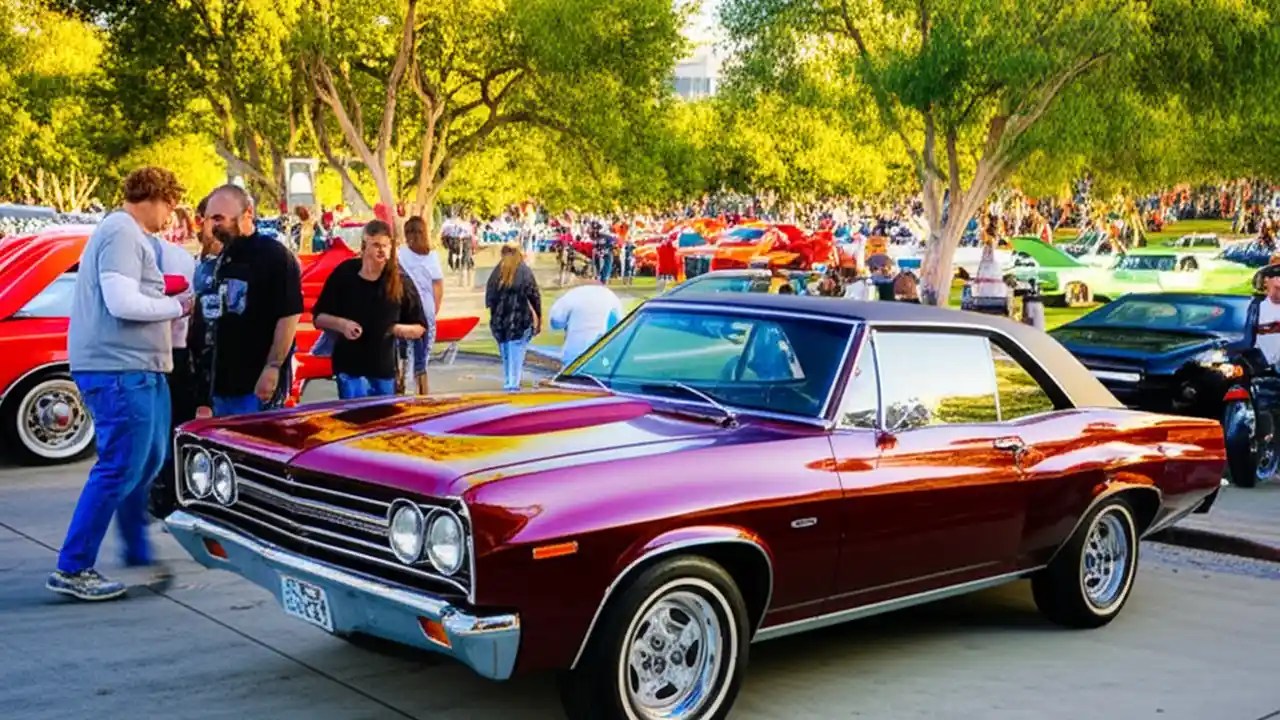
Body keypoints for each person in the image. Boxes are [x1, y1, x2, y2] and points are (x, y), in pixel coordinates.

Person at [48, 166, 191, 601]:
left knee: (144, 462)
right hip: (119, 370)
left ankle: (136, 553)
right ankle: (73, 567)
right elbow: (121, 301)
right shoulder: (122, 232)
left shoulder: (125, 234)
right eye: (170, 205)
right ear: (155, 197)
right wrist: (175, 305)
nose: (170, 217)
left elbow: (126, 294)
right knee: (120, 467)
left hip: (136, 368)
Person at [197, 185, 303, 417]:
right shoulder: (221, 258)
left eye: (220, 218)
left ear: (247, 214)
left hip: (255, 383)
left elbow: (289, 315)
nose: (215, 225)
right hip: (220, 383)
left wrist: (273, 367)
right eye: (210, 218)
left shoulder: (274, 256)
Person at [313, 220, 426, 399]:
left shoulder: (400, 282)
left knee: (381, 423)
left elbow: (420, 327)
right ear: (364, 246)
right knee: (354, 420)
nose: (381, 251)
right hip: (349, 367)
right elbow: (319, 317)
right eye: (375, 245)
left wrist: (396, 329)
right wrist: (342, 325)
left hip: (383, 370)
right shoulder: (345, 274)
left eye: (385, 246)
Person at [392, 216, 444, 395]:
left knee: (403, 349)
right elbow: (437, 285)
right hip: (425, 307)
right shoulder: (432, 257)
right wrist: (435, 307)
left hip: (404, 307)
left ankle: (403, 384)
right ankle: (419, 388)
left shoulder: (400, 254)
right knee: (422, 352)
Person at [485, 242, 542, 391]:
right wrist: (539, 319)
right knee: (516, 358)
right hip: (520, 321)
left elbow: (489, 300)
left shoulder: (496, 273)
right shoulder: (524, 272)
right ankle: (512, 387)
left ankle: (509, 384)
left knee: (507, 358)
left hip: (500, 324)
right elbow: (534, 297)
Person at [549, 278, 624, 366]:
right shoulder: (612, 297)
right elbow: (620, 326)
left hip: (573, 356)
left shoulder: (573, 294)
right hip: (602, 356)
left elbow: (555, 321)